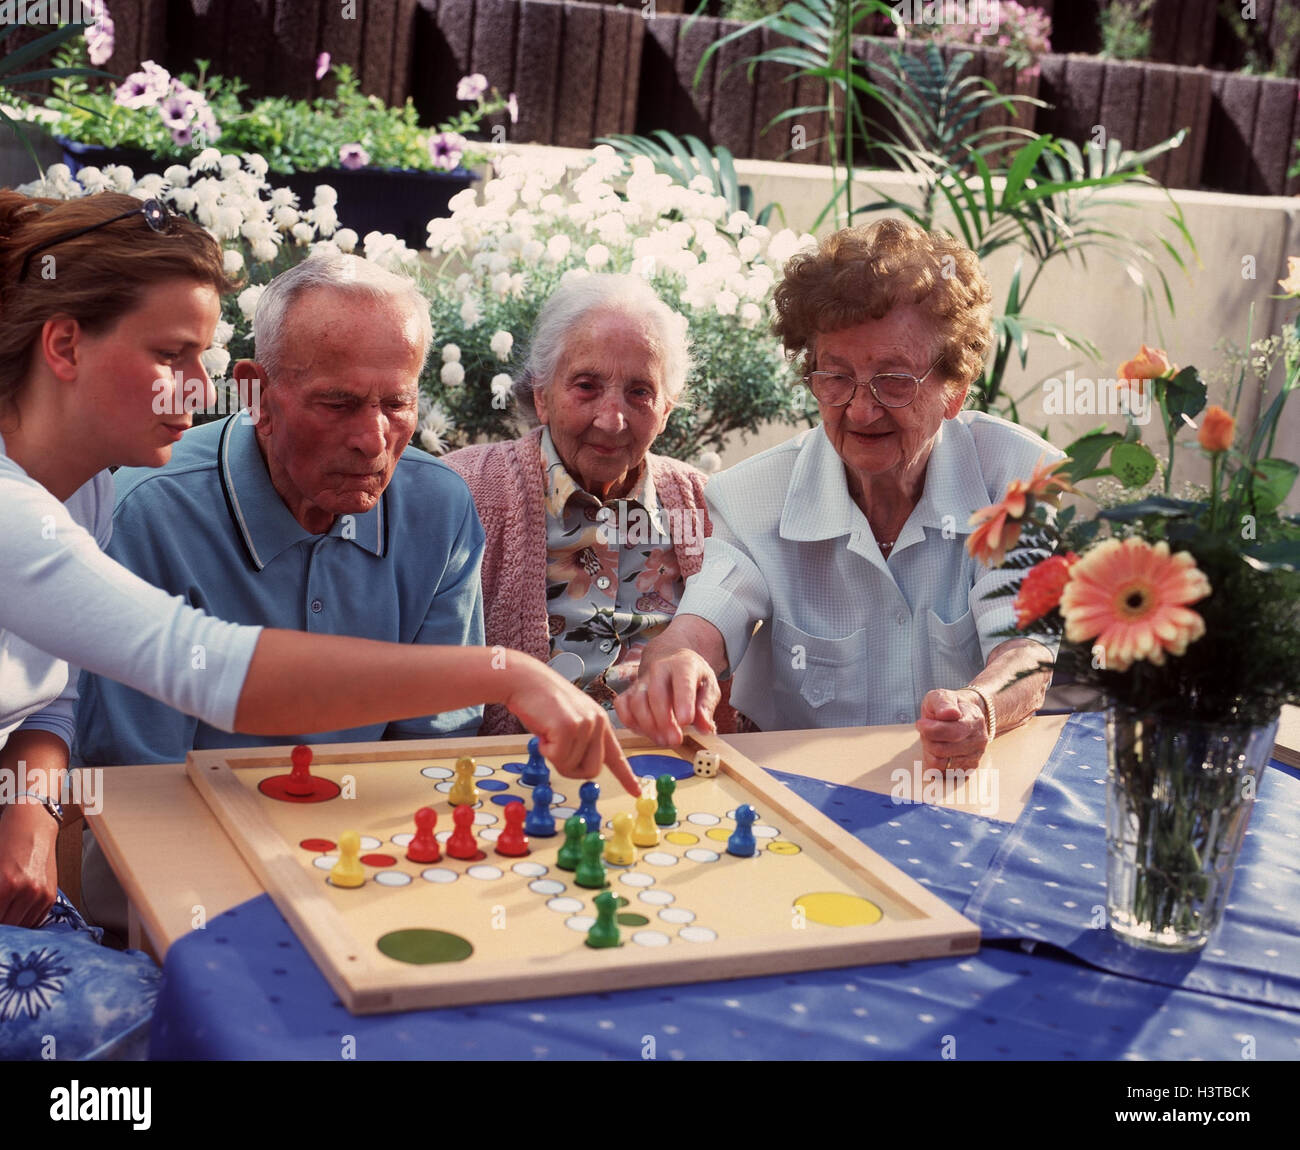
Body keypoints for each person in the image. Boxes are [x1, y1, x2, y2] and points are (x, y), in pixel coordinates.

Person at [0, 190, 635, 1054]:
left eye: (203, 355)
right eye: (172, 354)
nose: (201, 386)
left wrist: (27, 807)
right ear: (65, 345)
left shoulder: (90, 484)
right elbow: (204, 667)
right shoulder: (53, 509)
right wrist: (507, 671)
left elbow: (47, 693)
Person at [617, 219, 1061, 772]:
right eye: (836, 377)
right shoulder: (754, 496)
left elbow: (1025, 650)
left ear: (954, 392)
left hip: (960, 786)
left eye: (894, 380)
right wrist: (675, 664)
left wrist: (980, 708)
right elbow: (700, 624)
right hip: (802, 794)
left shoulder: (1016, 479)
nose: (860, 410)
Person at [77, 253, 486, 768]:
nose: (372, 439)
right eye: (338, 404)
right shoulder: (149, 514)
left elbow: (435, 750)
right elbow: (138, 778)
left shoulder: (439, 508)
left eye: (397, 404)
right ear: (258, 394)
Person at [445, 273, 725, 735]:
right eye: (586, 386)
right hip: (518, 776)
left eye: (640, 392)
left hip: (667, 775)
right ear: (542, 395)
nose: (612, 420)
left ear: (667, 410)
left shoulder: (704, 506)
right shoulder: (465, 493)